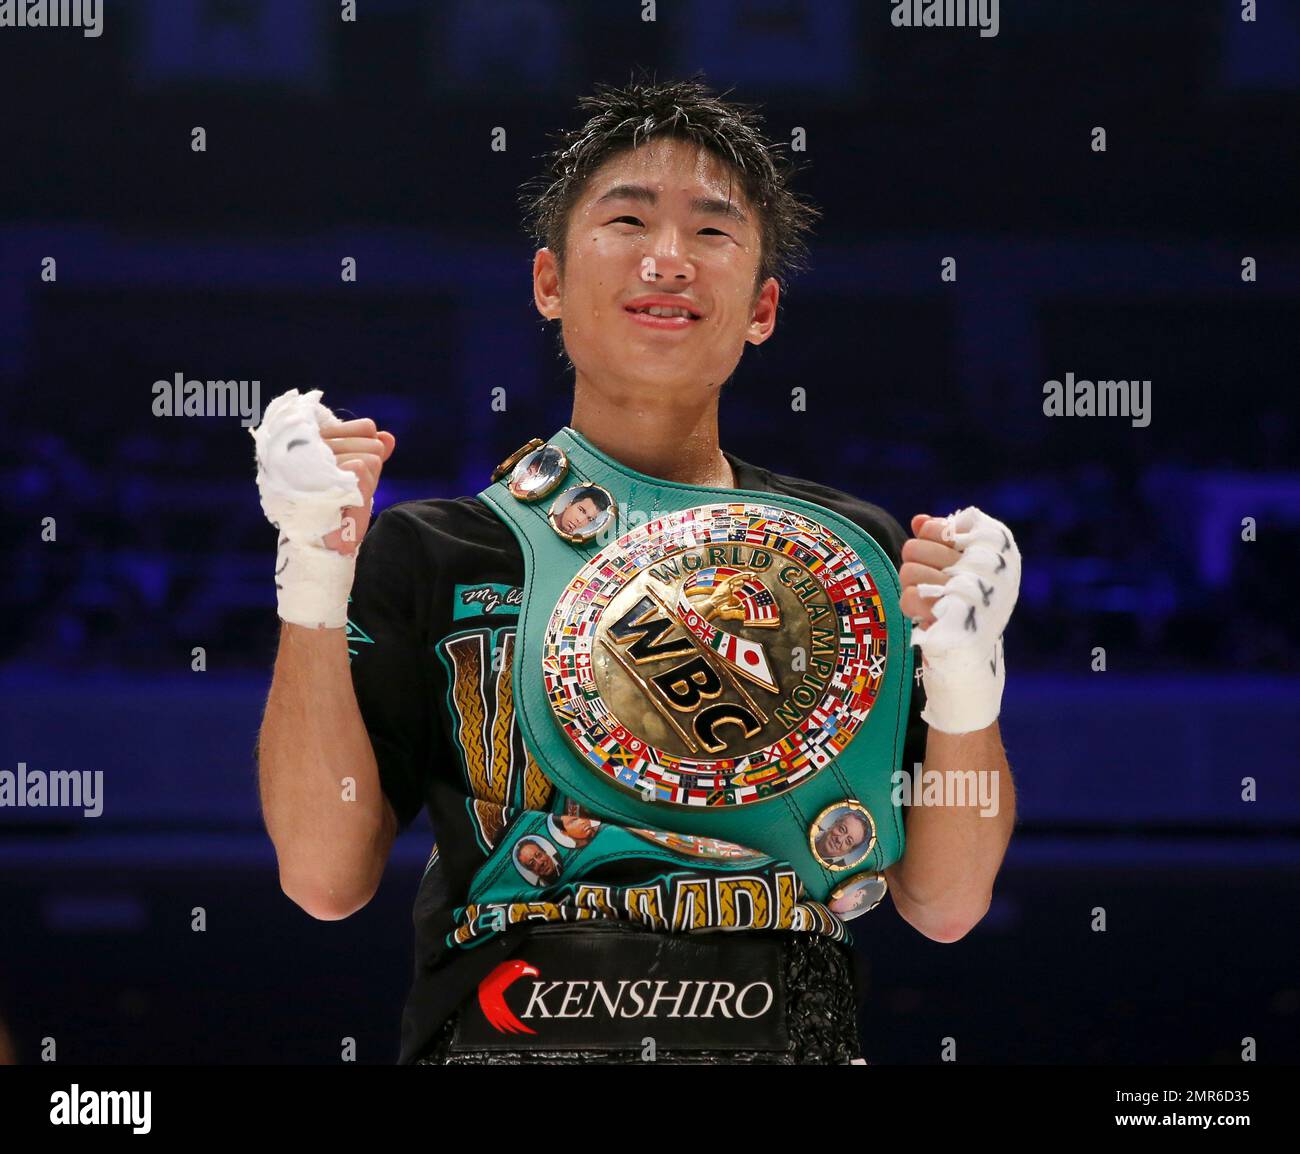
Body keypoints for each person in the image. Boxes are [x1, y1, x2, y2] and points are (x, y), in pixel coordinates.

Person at [255, 76, 1020, 1066]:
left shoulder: (856, 555)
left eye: (713, 231)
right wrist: (312, 567)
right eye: (626, 220)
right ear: (548, 282)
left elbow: (948, 903)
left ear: (762, 308)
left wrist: (967, 679)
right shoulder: (436, 550)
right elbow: (322, 876)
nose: (668, 258)